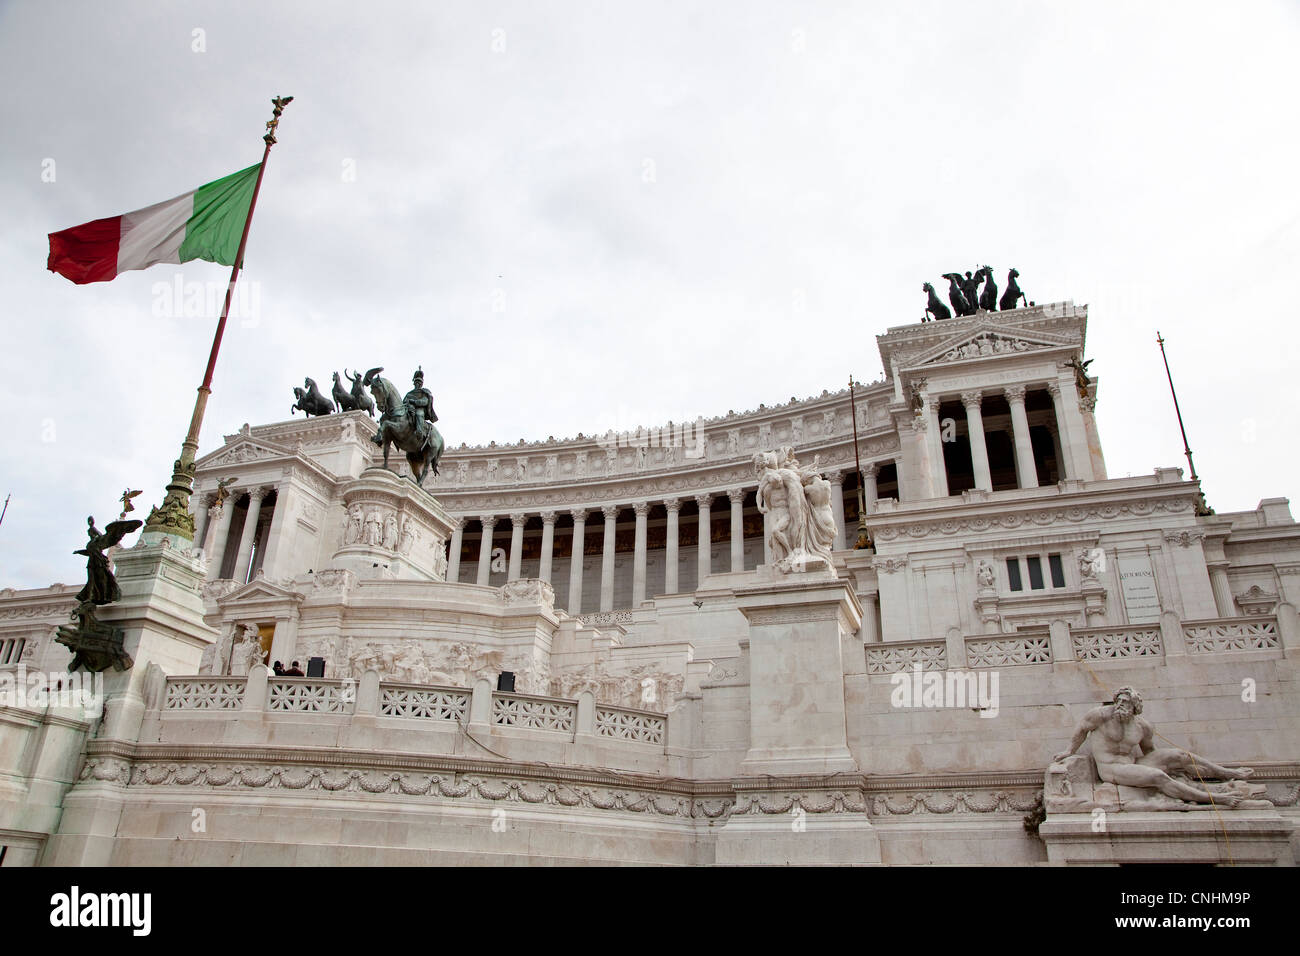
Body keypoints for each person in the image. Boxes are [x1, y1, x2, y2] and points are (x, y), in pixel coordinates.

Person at [1054, 687, 1255, 806]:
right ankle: (1216, 799)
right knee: (1157, 777)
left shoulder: (1143, 726)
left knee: (1180, 755)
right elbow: (1081, 730)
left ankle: (1228, 773)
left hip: (1133, 763)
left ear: (1135, 707)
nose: (1121, 705)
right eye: (1119, 701)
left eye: (1126, 702)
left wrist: (1170, 764)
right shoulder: (1100, 715)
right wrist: (1069, 751)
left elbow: (1150, 751)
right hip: (1111, 769)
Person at [403, 368, 437, 443]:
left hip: (420, 409)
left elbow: (425, 401)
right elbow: (404, 402)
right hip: (409, 409)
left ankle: (419, 432)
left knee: (419, 414)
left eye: (419, 382)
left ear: (421, 384)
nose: (417, 384)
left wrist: (414, 402)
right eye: (416, 382)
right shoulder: (409, 393)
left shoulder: (424, 392)